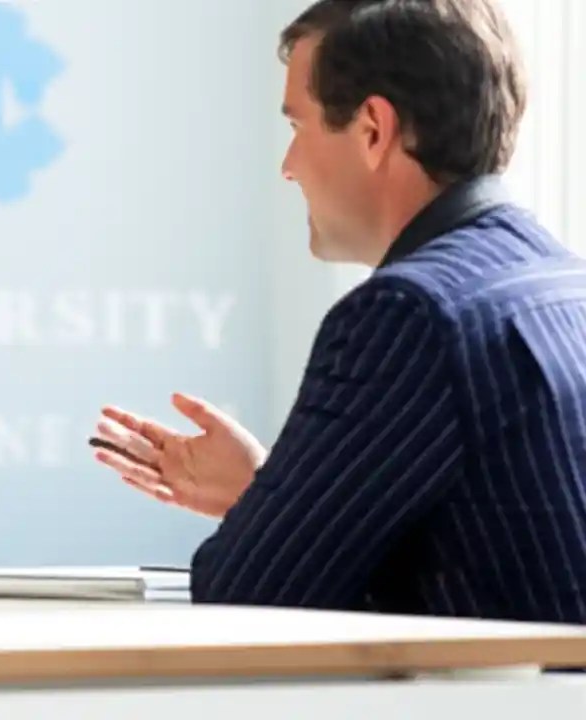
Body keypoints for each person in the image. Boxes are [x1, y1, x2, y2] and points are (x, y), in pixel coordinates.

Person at [93, 0, 586, 623]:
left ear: (373, 129)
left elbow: (247, 596)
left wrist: (264, 514)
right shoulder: (562, 282)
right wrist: (271, 494)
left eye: (297, 127)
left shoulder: (408, 313)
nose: (288, 167)